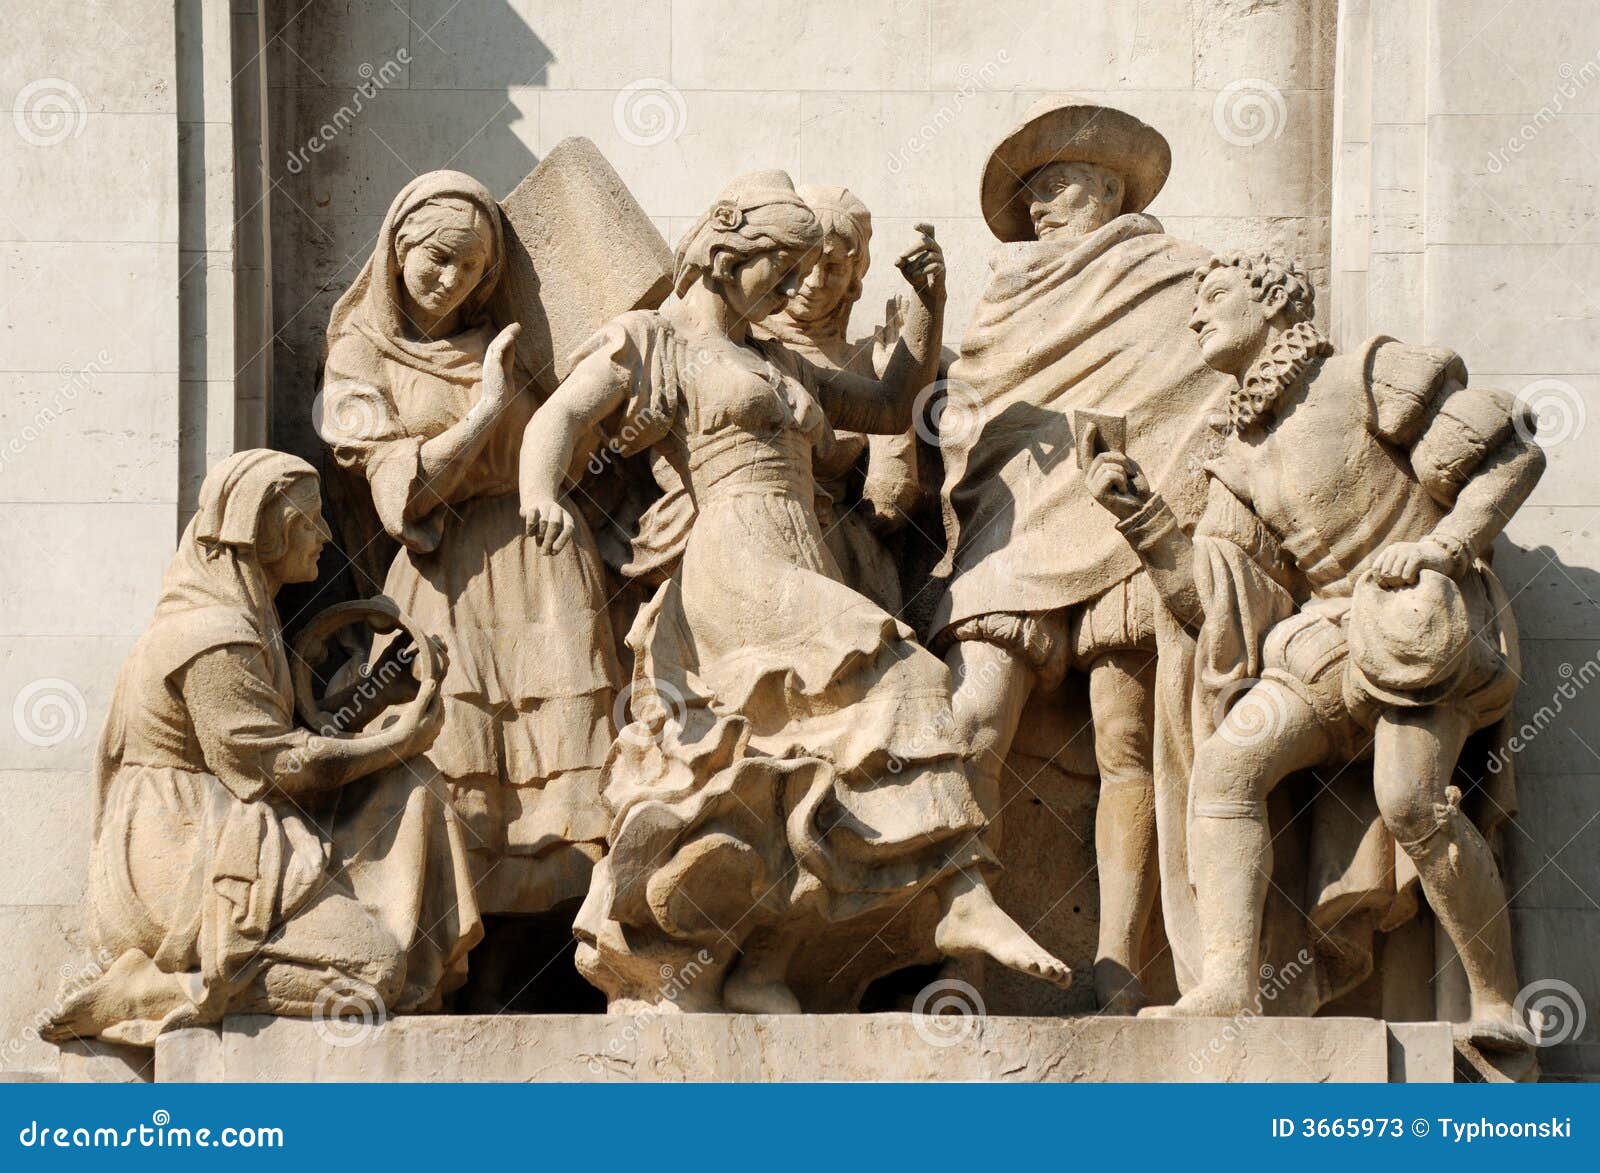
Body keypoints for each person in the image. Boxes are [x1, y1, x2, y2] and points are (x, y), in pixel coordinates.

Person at [519, 170, 1071, 1013]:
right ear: (721, 252)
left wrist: (927, 301)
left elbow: (890, 408)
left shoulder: (775, 358)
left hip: (801, 551)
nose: (788, 290)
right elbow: (559, 417)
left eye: (795, 274)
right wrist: (539, 490)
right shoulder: (655, 339)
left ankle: (758, 963)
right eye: (774, 271)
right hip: (735, 554)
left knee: (800, 770)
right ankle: (962, 896)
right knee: (911, 676)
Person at [1090, 251, 1543, 1049]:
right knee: (1228, 771)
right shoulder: (1234, 452)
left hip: (1422, 631)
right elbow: (1213, 603)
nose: (1197, 317)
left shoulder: (1365, 373)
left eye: (1214, 296)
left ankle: (1497, 999)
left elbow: (1515, 453)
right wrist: (1144, 519)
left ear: (1273, 297)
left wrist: (1443, 545)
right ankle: (1231, 984)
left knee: (1411, 801)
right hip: (1328, 638)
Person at [931, 96, 1231, 1010]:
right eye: (1029, 197)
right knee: (970, 722)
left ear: (1106, 189)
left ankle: (1119, 963)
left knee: (1127, 742)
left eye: (1054, 187)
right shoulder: (1008, 298)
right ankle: (956, 945)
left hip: (1132, 520)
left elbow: (1222, 395)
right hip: (1015, 524)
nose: (1038, 210)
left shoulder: (1181, 280)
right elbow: (967, 414)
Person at [44, 450, 479, 1046]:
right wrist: (399, 736)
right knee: (369, 973)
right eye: (309, 520)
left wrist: (381, 699)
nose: (325, 535)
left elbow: (281, 740)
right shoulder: (213, 633)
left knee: (415, 784)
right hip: (181, 846)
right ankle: (157, 991)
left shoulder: (246, 617)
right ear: (261, 527)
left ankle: (403, 968)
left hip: (227, 822)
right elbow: (275, 766)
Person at [318, 170, 623, 922]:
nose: (450, 280)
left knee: (568, 774)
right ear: (397, 250)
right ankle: (450, 947)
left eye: (472, 267)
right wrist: (486, 407)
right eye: (437, 258)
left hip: (545, 563)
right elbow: (404, 493)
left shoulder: (509, 343)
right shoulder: (359, 356)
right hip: (442, 571)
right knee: (450, 760)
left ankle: (566, 948)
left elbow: (578, 446)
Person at [753, 184, 920, 613]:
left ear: (854, 283)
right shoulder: (743, 342)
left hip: (837, 548)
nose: (814, 282)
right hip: (749, 532)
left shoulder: (865, 363)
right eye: (805, 262)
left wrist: (893, 378)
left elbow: (891, 501)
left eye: (833, 268)